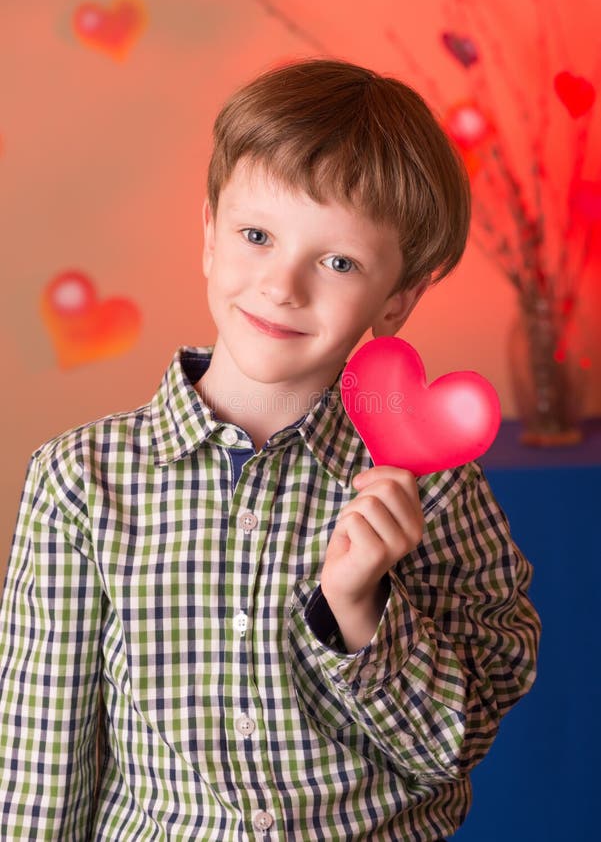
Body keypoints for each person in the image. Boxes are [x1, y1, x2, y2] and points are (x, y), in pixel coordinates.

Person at [0, 59, 540, 841]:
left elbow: (453, 746)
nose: (282, 285)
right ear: (210, 237)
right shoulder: (80, 483)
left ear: (397, 298)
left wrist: (360, 613)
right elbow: (39, 764)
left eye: (338, 261)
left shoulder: (434, 486)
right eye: (257, 235)